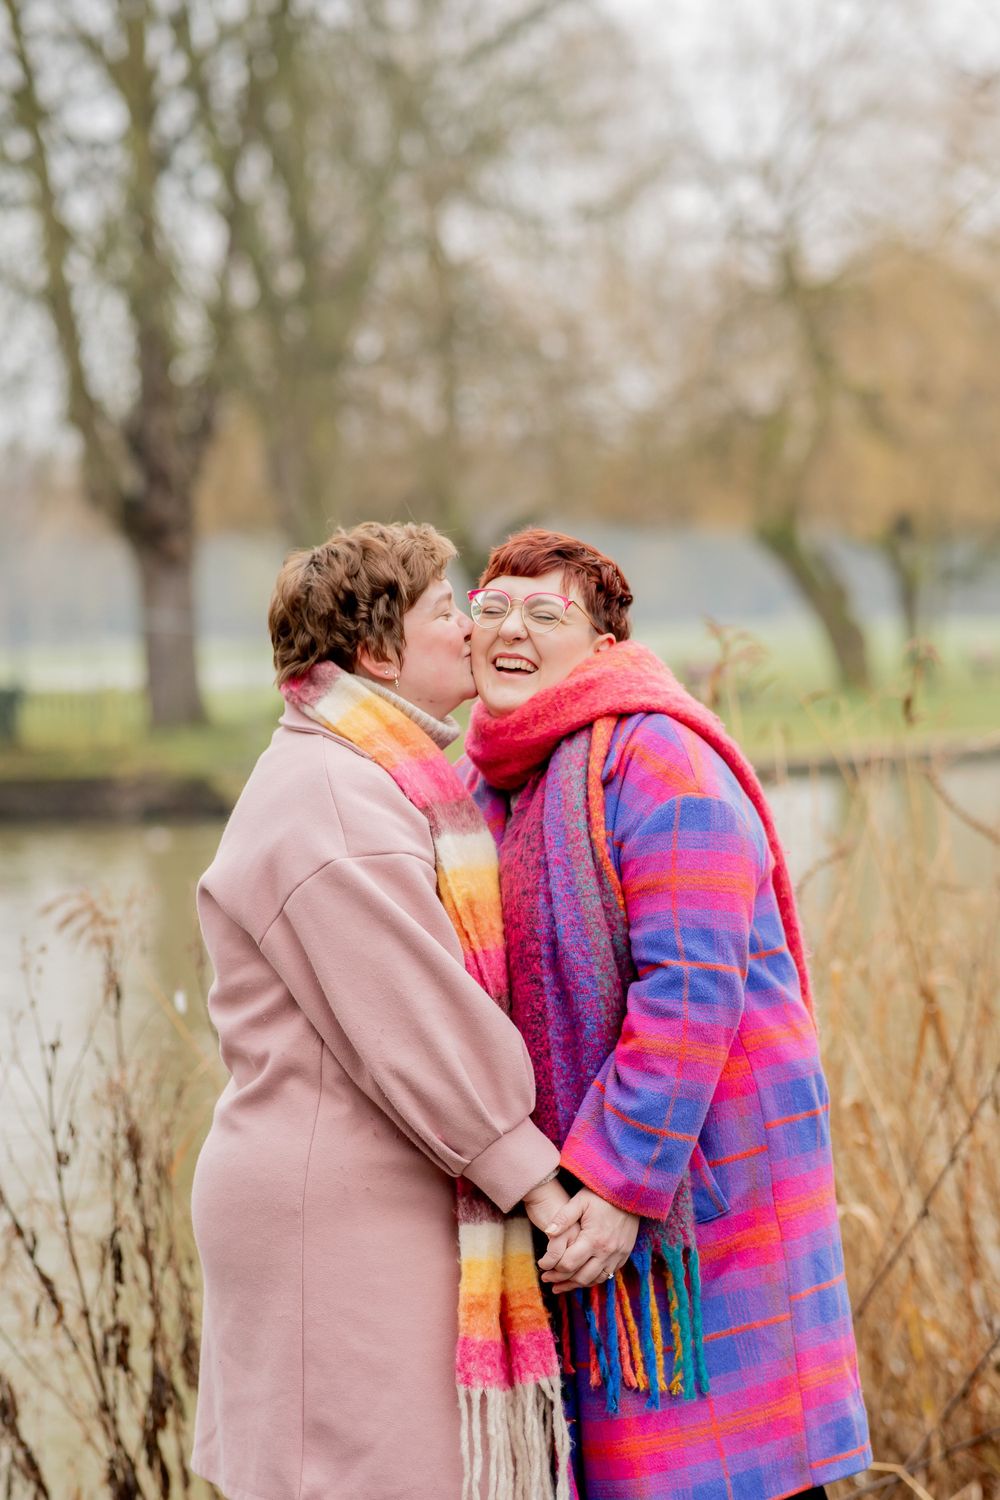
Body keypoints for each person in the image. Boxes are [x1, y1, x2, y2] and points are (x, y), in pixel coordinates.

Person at [461, 528, 872, 1500]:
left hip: (710, 1179)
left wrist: (615, 1184)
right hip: (609, 1186)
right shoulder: (493, 784)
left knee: (744, 1472)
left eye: (544, 613)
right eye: (491, 608)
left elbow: (690, 990)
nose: (510, 629)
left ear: (601, 648)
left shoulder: (658, 757)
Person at [190, 522, 574, 1500]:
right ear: (376, 650)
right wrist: (535, 1179)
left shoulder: (363, 773)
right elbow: (414, 1022)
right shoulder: (334, 798)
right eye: (447, 610)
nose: (471, 630)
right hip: (335, 1217)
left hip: (360, 1193)